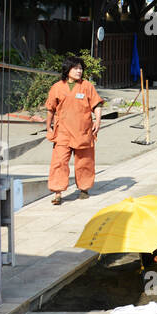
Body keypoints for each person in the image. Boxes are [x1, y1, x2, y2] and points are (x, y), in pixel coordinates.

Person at [45, 57, 103, 205]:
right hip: (62, 132)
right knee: (59, 161)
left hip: (82, 131)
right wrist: (48, 127)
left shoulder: (87, 86)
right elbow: (50, 109)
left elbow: (96, 105)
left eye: (81, 68)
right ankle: (57, 192)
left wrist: (98, 120)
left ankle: (84, 189)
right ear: (67, 70)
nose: (79, 71)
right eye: (76, 68)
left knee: (85, 161)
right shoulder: (57, 87)